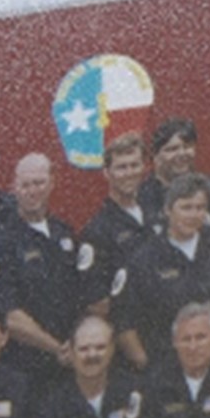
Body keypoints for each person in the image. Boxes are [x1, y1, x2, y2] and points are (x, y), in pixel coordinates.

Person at [111, 173, 210, 370]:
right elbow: (124, 324)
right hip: (168, 367)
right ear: (168, 210)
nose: (193, 215)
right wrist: (147, 366)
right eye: (186, 207)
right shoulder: (144, 259)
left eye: (200, 208)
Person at [0, 153, 80, 387]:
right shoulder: (0, 242)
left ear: (52, 183)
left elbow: (80, 296)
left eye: (39, 183)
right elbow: (10, 316)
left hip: (73, 361)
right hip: (26, 369)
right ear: (14, 188)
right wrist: (57, 348)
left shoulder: (64, 232)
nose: (32, 191)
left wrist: (77, 345)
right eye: (25, 185)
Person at [76, 134, 156, 318]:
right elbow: (95, 302)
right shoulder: (97, 231)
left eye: (134, 165)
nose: (129, 172)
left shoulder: (158, 213)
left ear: (144, 168)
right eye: (121, 167)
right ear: (106, 173)